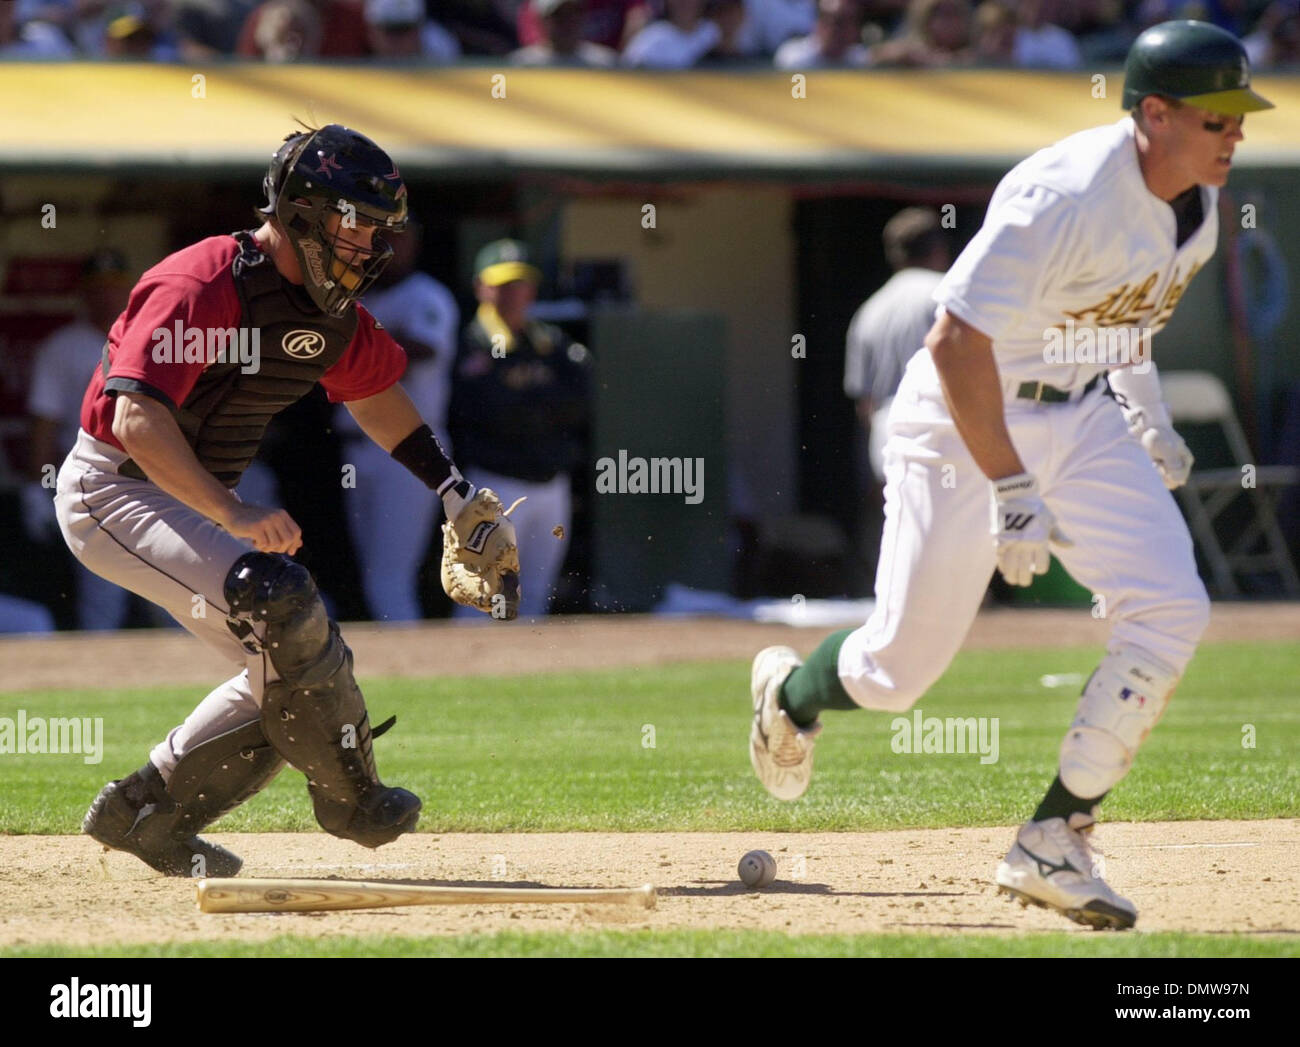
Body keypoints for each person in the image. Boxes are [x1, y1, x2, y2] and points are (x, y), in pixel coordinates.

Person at [748, 20, 1273, 930]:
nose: (1236, 134)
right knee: (896, 671)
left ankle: (1053, 838)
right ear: (1154, 112)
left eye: (1239, 117)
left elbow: (1127, 318)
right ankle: (788, 696)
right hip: (964, 416)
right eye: (1217, 116)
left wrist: (1143, 410)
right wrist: (1011, 486)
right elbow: (955, 341)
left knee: (1172, 605)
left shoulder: (1200, 199)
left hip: (1080, 410)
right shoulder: (1063, 192)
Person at [60, 124, 518, 877]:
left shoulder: (328, 311)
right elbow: (137, 419)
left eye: (378, 230)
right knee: (278, 601)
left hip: (183, 497)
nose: (371, 245)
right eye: (357, 224)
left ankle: (145, 812)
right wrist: (232, 513)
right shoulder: (203, 280)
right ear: (303, 211)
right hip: (114, 486)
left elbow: (377, 397)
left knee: (295, 673)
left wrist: (452, 491)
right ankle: (355, 800)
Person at [449, 240, 591, 617]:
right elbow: (490, 408)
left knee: (535, 596)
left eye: (521, 284)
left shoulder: (548, 340)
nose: (514, 294)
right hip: (495, 484)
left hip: (549, 481)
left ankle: (525, 671)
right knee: (483, 594)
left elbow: (577, 401)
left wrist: (528, 398)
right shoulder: (471, 341)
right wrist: (536, 399)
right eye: (504, 284)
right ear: (482, 286)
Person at [337, 216, 461, 621]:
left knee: (390, 576)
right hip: (355, 448)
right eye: (381, 238)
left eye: (399, 239)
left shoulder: (426, 295)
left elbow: (418, 353)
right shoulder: (353, 295)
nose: (389, 247)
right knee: (372, 573)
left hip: (410, 452)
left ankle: (410, 665)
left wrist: (361, 340)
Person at [25, 249, 140, 631]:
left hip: (156, 477)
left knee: (178, 597)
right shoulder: (63, 345)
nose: (107, 296)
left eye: (115, 287)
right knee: (102, 597)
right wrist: (37, 487)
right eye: (98, 289)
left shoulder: (151, 336)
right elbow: (44, 423)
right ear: (83, 294)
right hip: (94, 479)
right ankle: (99, 677)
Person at [843, 206, 950, 425]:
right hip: (940, 426)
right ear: (939, 250)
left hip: (887, 430)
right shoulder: (948, 294)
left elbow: (864, 402)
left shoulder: (869, 309)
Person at [510, 0, 618, 66]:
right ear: (542, 20)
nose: (566, 22)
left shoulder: (606, 63)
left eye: (572, 13)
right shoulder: (522, 64)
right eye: (558, 15)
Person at [774, 0, 869, 68]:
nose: (841, 31)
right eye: (837, 22)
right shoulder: (793, 59)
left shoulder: (858, 59)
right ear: (819, 24)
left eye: (850, 21)